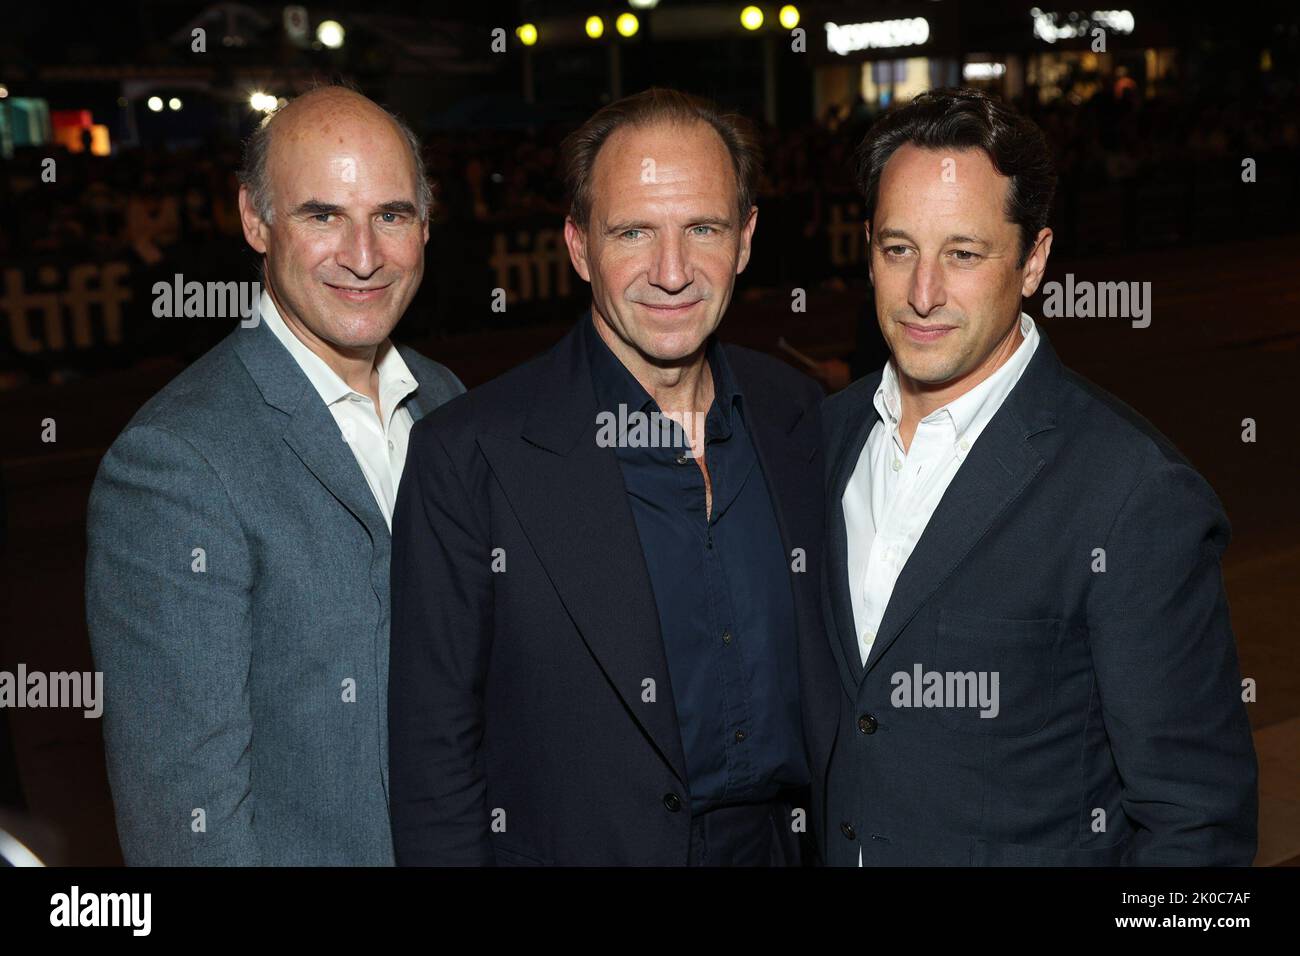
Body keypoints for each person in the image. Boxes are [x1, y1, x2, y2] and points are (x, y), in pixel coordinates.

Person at [388, 88, 840, 866]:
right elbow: (435, 763)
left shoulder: (797, 414)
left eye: (703, 228)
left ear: (746, 238)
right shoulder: (468, 454)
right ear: (577, 245)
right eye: (634, 232)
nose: (673, 272)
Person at [819, 87, 1258, 866]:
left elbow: (1198, 826)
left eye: (963, 252)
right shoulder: (826, 437)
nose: (923, 292)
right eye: (898, 249)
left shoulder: (1133, 493)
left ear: (1034, 261)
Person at [85, 86, 463, 865]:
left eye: (391, 215)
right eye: (322, 215)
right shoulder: (173, 463)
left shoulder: (450, 403)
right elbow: (185, 823)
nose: (364, 255)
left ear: (425, 226)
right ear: (255, 221)